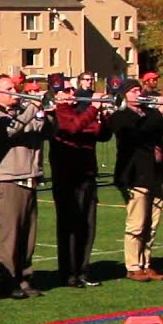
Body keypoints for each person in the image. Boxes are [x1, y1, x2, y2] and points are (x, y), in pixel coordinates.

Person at [0, 74, 51, 299]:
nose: (14, 92)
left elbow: (47, 132)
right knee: (10, 235)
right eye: (7, 89)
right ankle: (8, 280)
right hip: (8, 179)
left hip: (30, 176)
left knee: (28, 235)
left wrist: (47, 112)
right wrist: (32, 107)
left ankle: (25, 277)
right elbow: (11, 131)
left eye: (15, 87)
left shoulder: (23, 110)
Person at [50, 83, 110, 287]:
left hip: (87, 175)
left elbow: (102, 134)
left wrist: (104, 115)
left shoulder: (80, 111)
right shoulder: (57, 112)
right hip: (67, 178)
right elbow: (73, 127)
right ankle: (68, 272)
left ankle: (83, 270)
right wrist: (94, 108)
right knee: (70, 227)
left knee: (87, 225)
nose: (71, 94)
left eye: (71, 90)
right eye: (66, 91)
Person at [111, 79, 163, 281]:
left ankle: (146, 262)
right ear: (125, 94)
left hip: (156, 174)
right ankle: (133, 265)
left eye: (139, 90)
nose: (138, 94)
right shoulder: (121, 116)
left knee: (152, 224)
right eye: (133, 91)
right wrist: (159, 111)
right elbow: (138, 132)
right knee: (136, 223)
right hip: (135, 175)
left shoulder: (151, 113)